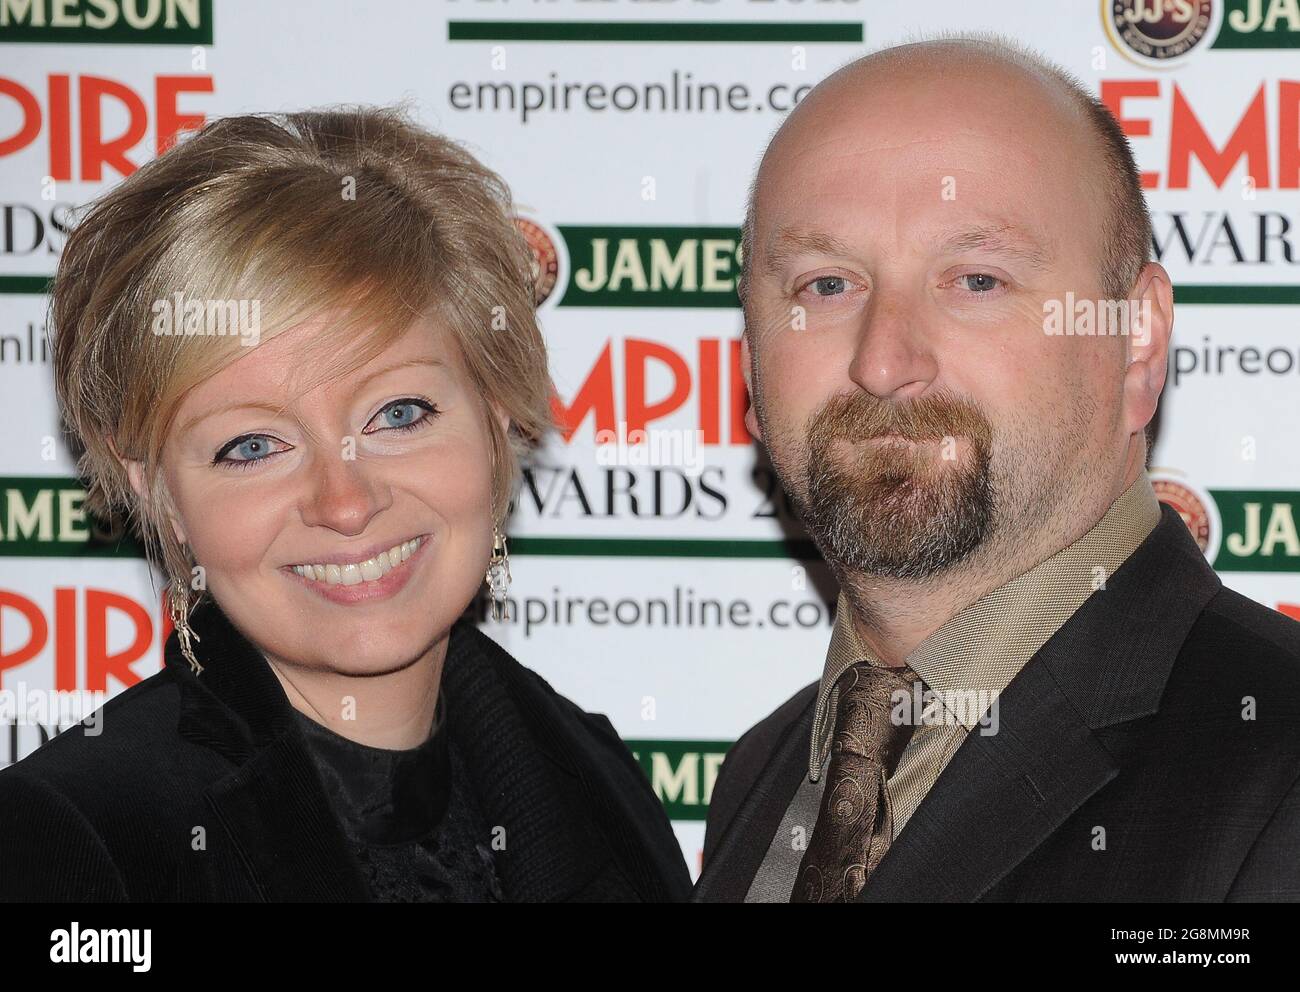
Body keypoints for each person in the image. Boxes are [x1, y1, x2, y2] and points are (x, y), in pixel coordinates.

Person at [0, 106, 691, 903]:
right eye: (254, 446)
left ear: (498, 418)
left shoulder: (597, 781)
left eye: (398, 414)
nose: (346, 501)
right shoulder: (78, 839)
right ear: (159, 493)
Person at [695, 35, 1300, 903]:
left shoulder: (1275, 769)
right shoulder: (766, 772)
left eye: (976, 280)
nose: (883, 360)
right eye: (826, 286)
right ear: (751, 362)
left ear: (1137, 343)